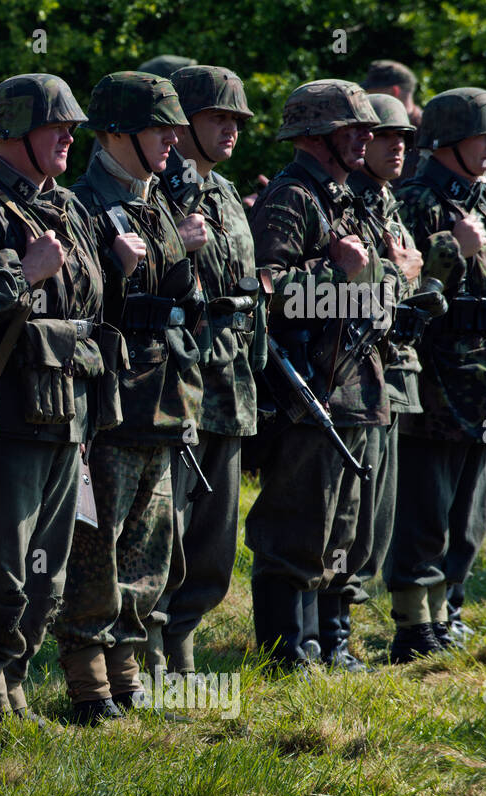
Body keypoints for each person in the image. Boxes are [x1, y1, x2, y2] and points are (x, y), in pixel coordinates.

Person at [0, 73, 107, 732]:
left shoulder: (69, 208)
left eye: (72, 125)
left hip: (69, 411)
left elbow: (95, 306)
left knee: (49, 569)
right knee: (2, 566)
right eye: (56, 126)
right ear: (14, 133)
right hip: (9, 412)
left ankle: (15, 680)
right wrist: (26, 273)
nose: (69, 135)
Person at [55, 71, 202, 718]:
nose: (173, 139)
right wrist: (119, 269)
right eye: (158, 128)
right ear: (116, 132)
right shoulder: (79, 205)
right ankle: (88, 677)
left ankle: (127, 666)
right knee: (98, 542)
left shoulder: (159, 204)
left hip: (165, 396)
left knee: (150, 544)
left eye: (174, 127)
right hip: (110, 400)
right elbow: (77, 307)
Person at [387, 87, 486, 661]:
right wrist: (452, 248)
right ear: (449, 140)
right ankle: (413, 622)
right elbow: (405, 295)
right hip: (440, 379)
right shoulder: (418, 200)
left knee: (478, 506)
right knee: (428, 503)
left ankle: (450, 608)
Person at [246, 80, 391, 671]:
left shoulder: (344, 197)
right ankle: (287, 651)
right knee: (296, 522)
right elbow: (269, 291)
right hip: (310, 391)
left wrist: (371, 278)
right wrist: (339, 277)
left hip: (354, 385)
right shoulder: (293, 197)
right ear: (313, 134)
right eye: (351, 127)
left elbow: (386, 281)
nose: (366, 136)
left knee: (342, 526)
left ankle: (328, 643)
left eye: (366, 127)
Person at [151, 65, 266, 681]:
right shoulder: (159, 191)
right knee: (163, 530)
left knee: (215, 541)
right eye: (218, 118)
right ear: (183, 123)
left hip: (229, 384)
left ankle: (183, 650)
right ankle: (146, 658)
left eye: (237, 121)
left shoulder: (223, 192)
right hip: (176, 384)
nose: (231, 130)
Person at [324, 93, 426, 670]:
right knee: (351, 509)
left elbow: (399, 286)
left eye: (403, 138)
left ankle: (342, 623)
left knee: (376, 515)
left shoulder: (383, 202)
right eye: (386, 137)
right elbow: (362, 286)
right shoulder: (352, 202)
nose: (395, 147)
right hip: (353, 370)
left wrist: (408, 280)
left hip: (389, 367)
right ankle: (329, 626)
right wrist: (400, 274)